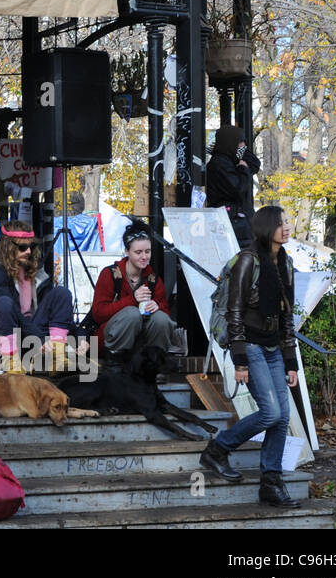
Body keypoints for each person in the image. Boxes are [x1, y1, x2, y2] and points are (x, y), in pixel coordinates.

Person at [199, 206, 302, 507]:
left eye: (287, 221)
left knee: (281, 419)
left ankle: (270, 484)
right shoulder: (248, 260)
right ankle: (218, 449)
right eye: (281, 222)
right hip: (251, 346)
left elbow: (287, 317)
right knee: (271, 413)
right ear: (267, 227)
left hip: (273, 348)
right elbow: (234, 312)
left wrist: (291, 361)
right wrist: (240, 361)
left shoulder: (286, 263)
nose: (286, 227)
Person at [0, 222, 75, 372]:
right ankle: (11, 362)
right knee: (4, 303)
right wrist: (39, 338)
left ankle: (57, 356)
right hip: (0, 336)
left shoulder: (36, 272)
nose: (28, 251)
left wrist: (80, 334)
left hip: (30, 334)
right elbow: (9, 312)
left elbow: (54, 312)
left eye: (32, 246)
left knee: (62, 293)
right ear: (8, 247)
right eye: (22, 247)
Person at [90, 226, 174, 359]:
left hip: (143, 339)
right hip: (110, 339)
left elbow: (167, 315)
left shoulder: (153, 279)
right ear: (127, 251)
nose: (144, 257)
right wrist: (132, 299)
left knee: (161, 319)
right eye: (138, 252)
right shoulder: (109, 274)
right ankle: (117, 365)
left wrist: (158, 308)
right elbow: (98, 314)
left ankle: (155, 364)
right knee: (132, 314)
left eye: (147, 251)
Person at [206, 124, 261, 249]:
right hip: (231, 226)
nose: (243, 146)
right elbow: (237, 189)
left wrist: (243, 157)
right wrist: (243, 169)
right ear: (230, 143)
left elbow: (255, 164)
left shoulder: (232, 160)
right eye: (239, 142)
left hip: (240, 225)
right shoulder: (219, 164)